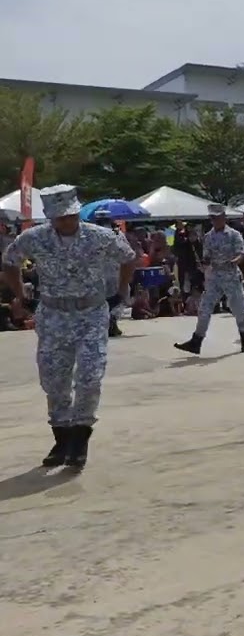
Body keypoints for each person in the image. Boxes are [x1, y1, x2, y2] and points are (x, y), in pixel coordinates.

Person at [1, 185, 136, 467]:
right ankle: (61, 439)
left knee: (90, 376)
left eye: (71, 215)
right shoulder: (35, 238)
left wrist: (121, 290)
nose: (67, 221)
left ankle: (80, 437)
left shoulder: (99, 236)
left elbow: (128, 257)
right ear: (50, 217)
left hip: (91, 313)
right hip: (53, 315)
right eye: (61, 217)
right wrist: (19, 293)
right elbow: (9, 261)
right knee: (54, 380)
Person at [174, 203, 244, 355]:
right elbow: (207, 256)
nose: (215, 221)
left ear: (224, 218)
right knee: (205, 308)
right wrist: (205, 263)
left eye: (218, 218)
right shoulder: (208, 237)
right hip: (214, 277)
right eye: (213, 218)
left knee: (237, 309)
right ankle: (196, 341)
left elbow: (241, 254)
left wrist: (235, 260)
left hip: (230, 275)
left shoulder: (234, 235)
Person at [91, 210, 126, 338]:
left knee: (100, 301)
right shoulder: (118, 234)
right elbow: (127, 253)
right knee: (119, 298)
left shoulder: (91, 235)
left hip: (98, 273)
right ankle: (113, 320)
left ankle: (104, 324)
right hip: (115, 272)